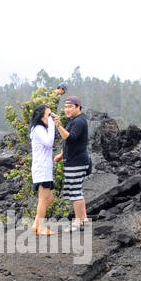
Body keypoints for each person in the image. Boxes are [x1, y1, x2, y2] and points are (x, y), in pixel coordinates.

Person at [55, 95, 91, 226]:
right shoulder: (74, 120)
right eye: (65, 107)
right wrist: (62, 154)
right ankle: (84, 219)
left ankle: (78, 222)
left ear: (78, 107)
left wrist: (58, 126)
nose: (67, 109)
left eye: (70, 107)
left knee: (75, 192)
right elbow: (72, 143)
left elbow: (70, 138)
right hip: (74, 160)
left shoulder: (79, 121)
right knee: (77, 191)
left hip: (77, 161)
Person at [29, 104, 56, 235]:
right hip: (42, 168)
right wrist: (52, 125)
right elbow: (49, 142)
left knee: (50, 198)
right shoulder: (39, 129)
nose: (50, 117)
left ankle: (36, 224)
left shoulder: (39, 128)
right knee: (43, 198)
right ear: (41, 117)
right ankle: (41, 227)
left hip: (44, 168)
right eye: (48, 115)